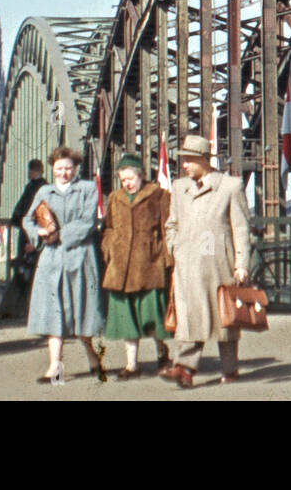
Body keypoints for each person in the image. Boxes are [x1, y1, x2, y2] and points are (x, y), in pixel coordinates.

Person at [161, 134, 251, 388]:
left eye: (189, 160)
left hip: (219, 263)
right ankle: (185, 369)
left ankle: (230, 369)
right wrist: (175, 246)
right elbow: (172, 223)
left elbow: (241, 228)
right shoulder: (179, 187)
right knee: (189, 315)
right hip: (187, 263)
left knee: (225, 315)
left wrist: (241, 263)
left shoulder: (230, 186)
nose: (185, 165)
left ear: (203, 160)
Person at [23, 145, 105, 383]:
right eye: (59, 168)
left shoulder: (88, 189)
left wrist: (59, 234)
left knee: (82, 314)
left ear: (76, 168)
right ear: (52, 168)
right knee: (54, 315)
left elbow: (88, 221)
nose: (64, 173)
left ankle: (92, 359)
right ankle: (55, 369)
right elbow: (27, 220)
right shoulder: (44, 192)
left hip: (80, 258)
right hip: (51, 261)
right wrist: (38, 231)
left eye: (68, 168)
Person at [101, 153, 172, 378]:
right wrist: (108, 248)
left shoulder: (159, 196)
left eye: (131, 178)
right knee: (126, 320)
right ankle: (132, 364)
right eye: (123, 180)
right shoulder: (114, 198)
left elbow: (167, 228)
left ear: (141, 176)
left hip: (149, 265)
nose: (127, 183)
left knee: (153, 316)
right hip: (120, 269)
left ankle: (162, 352)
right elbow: (109, 227)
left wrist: (165, 260)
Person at [0, 159, 48, 319]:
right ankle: (18, 309)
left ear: (32, 171)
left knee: (24, 273)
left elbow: (29, 214)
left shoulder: (35, 188)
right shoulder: (42, 187)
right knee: (28, 274)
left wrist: (32, 240)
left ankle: (12, 309)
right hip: (32, 236)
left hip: (30, 238)